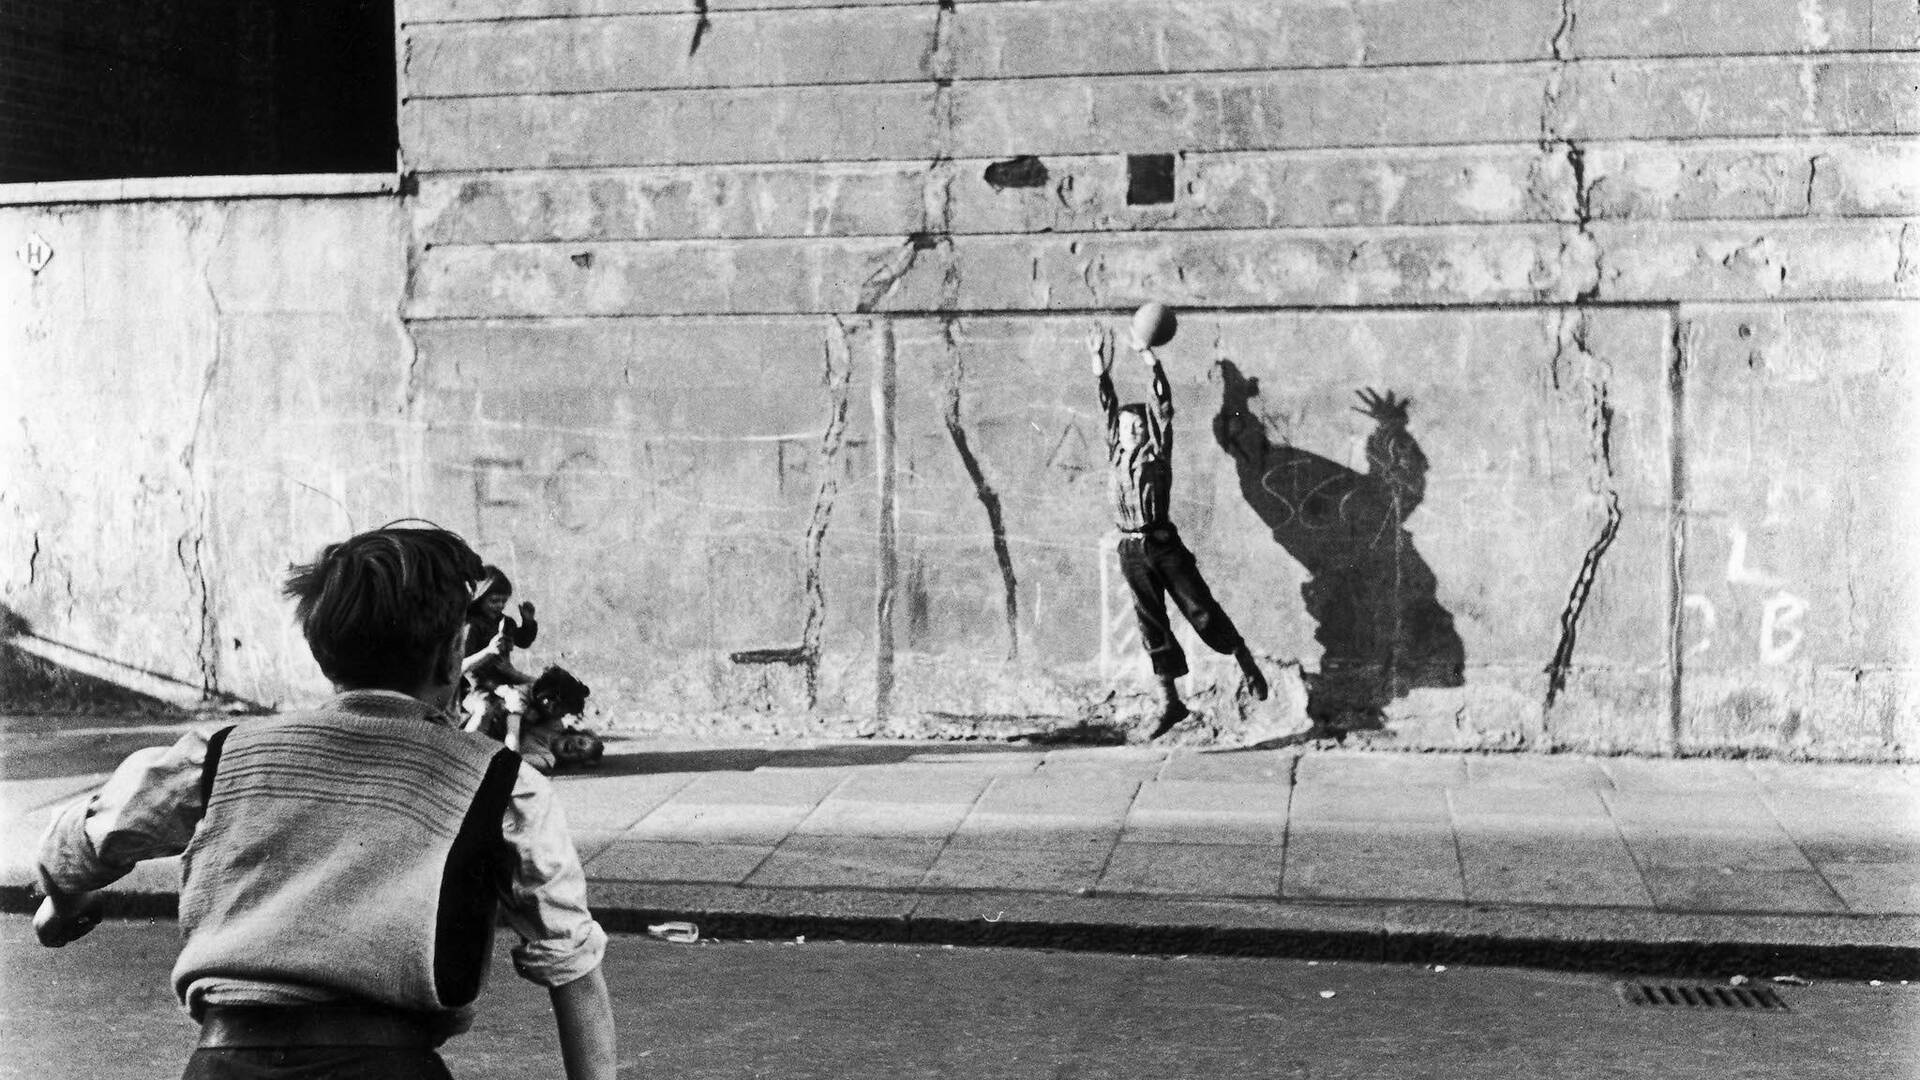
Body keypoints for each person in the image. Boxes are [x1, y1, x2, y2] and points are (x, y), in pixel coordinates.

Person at [32, 524, 617, 1080]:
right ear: (450, 659)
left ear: (321, 650)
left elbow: (75, 845)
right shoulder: (503, 783)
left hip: (227, 1063)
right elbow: (573, 967)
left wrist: (62, 908)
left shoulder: (218, 755)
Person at [1090, 326, 1269, 738]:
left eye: (1138, 425)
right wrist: (1101, 366)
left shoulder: (1158, 452)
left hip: (1162, 543)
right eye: (1126, 425)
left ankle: (1243, 658)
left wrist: (1149, 359)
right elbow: (1106, 405)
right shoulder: (1115, 453)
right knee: (1150, 622)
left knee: (1199, 609)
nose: (1133, 430)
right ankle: (1169, 702)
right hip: (1130, 548)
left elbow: (1162, 404)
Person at [466, 665, 606, 774]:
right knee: (483, 707)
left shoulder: (546, 758)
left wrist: (515, 712)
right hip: (483, 708)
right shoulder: (553, 722)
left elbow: (511, 760)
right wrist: (513, 674)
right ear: (575, 733)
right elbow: (541, 687)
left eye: (579, 755)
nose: (575, 748)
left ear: (574, 762)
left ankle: (460, 752)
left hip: (487, 740)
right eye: (580, 742)